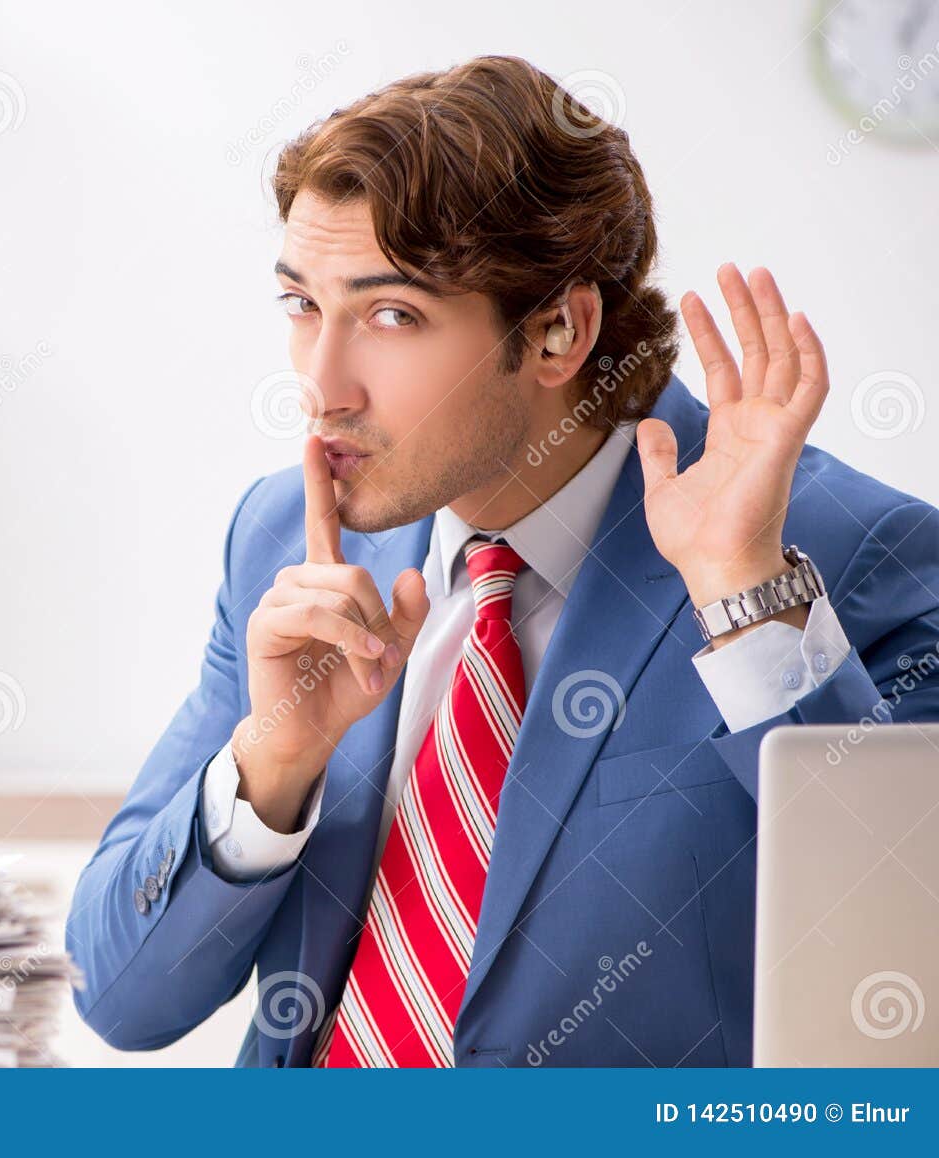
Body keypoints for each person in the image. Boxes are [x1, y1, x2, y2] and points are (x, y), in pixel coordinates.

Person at [63, 55, 939, 1067]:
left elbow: (905, 980)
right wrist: (273, 761)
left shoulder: (850, 551)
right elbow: (118, 998)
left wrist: (747, 597)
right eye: (303, 305)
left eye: (391, 316)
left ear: (558, 330)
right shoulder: (287, 538)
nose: (319, 384)